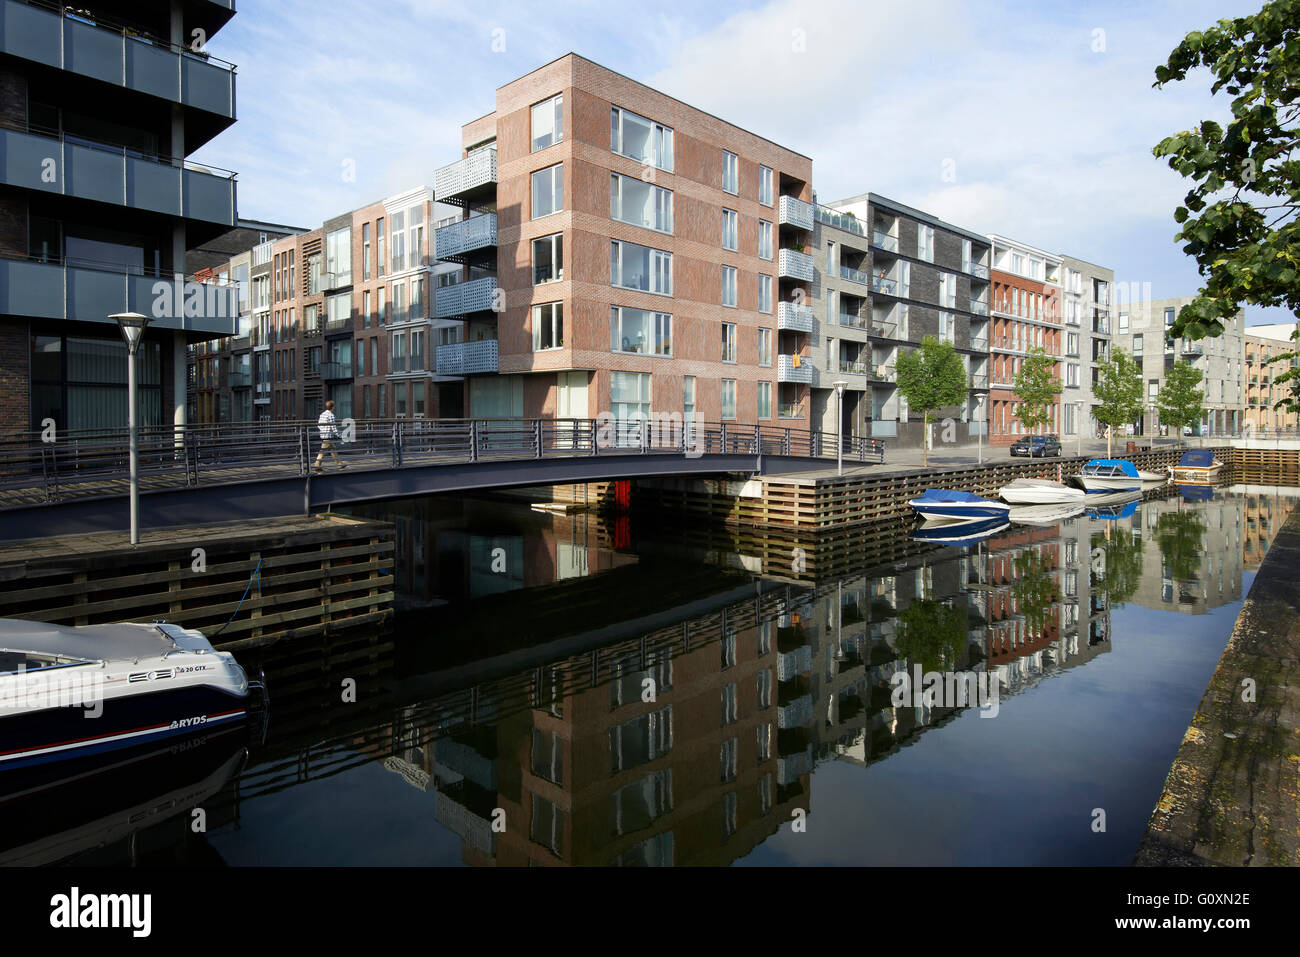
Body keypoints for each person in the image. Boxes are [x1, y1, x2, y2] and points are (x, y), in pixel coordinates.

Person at [314, 400, 347, 472]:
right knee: (322, 451)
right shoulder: (331, 415)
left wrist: (323, 431)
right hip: (328, 436)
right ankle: (316, 466)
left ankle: (340, 465)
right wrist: (340, 435)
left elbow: (318, 425)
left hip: (323, 435)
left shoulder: (322, 414)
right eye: (334, 406)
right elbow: (334, 428)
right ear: (332, 407)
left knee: (333, 450)